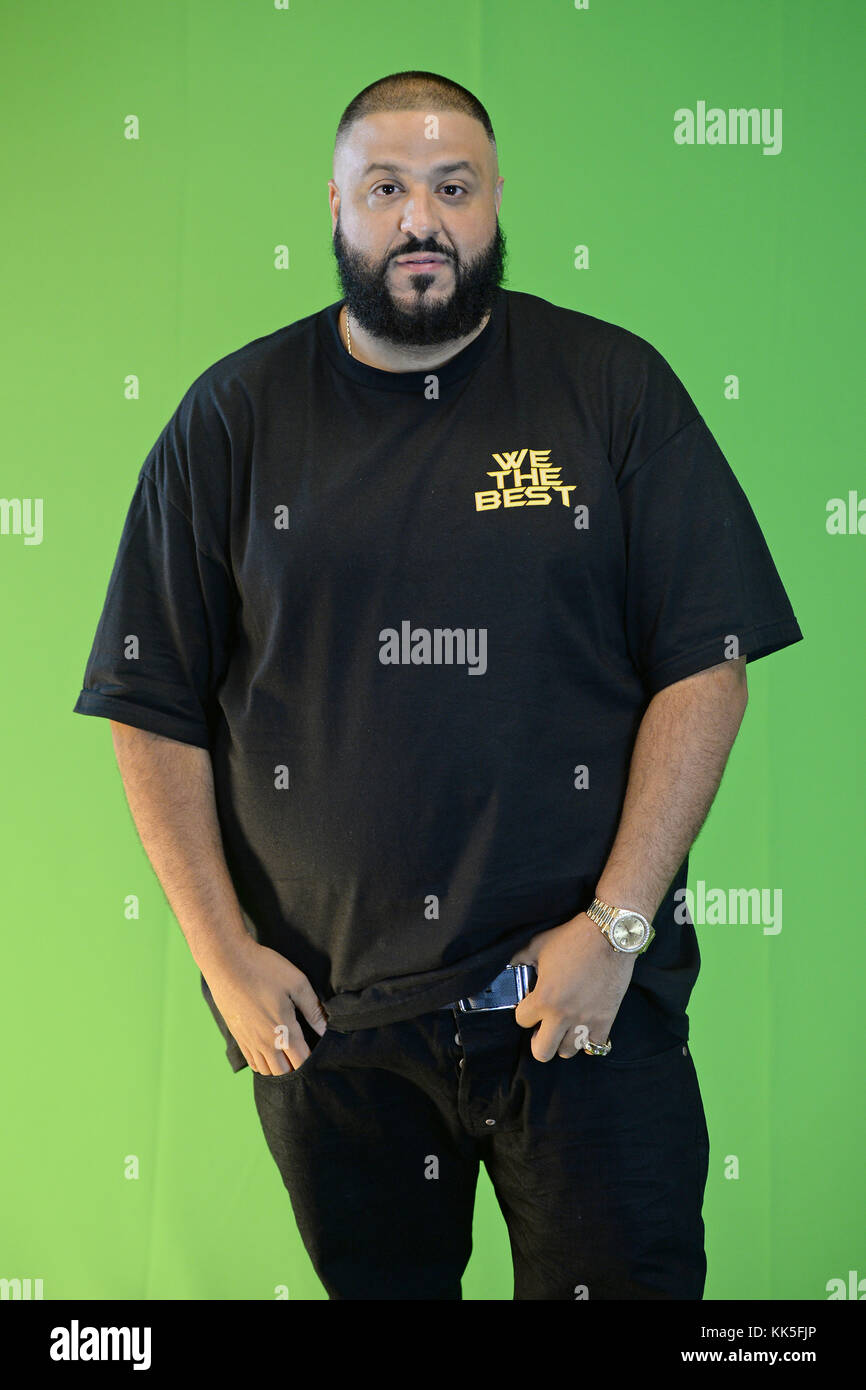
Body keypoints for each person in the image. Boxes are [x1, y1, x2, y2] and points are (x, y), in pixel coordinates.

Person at [73, 70, 803, 1300]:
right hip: (331, 1029)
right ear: (337, 207)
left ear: (495, 200)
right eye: (388, 188)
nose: (422, 219)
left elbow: (705, 664)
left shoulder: (610, 390)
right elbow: (149, 707)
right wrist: (221, 955)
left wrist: (615, 928)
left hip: (576, 1007)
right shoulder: (232, 420)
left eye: (452, 188)